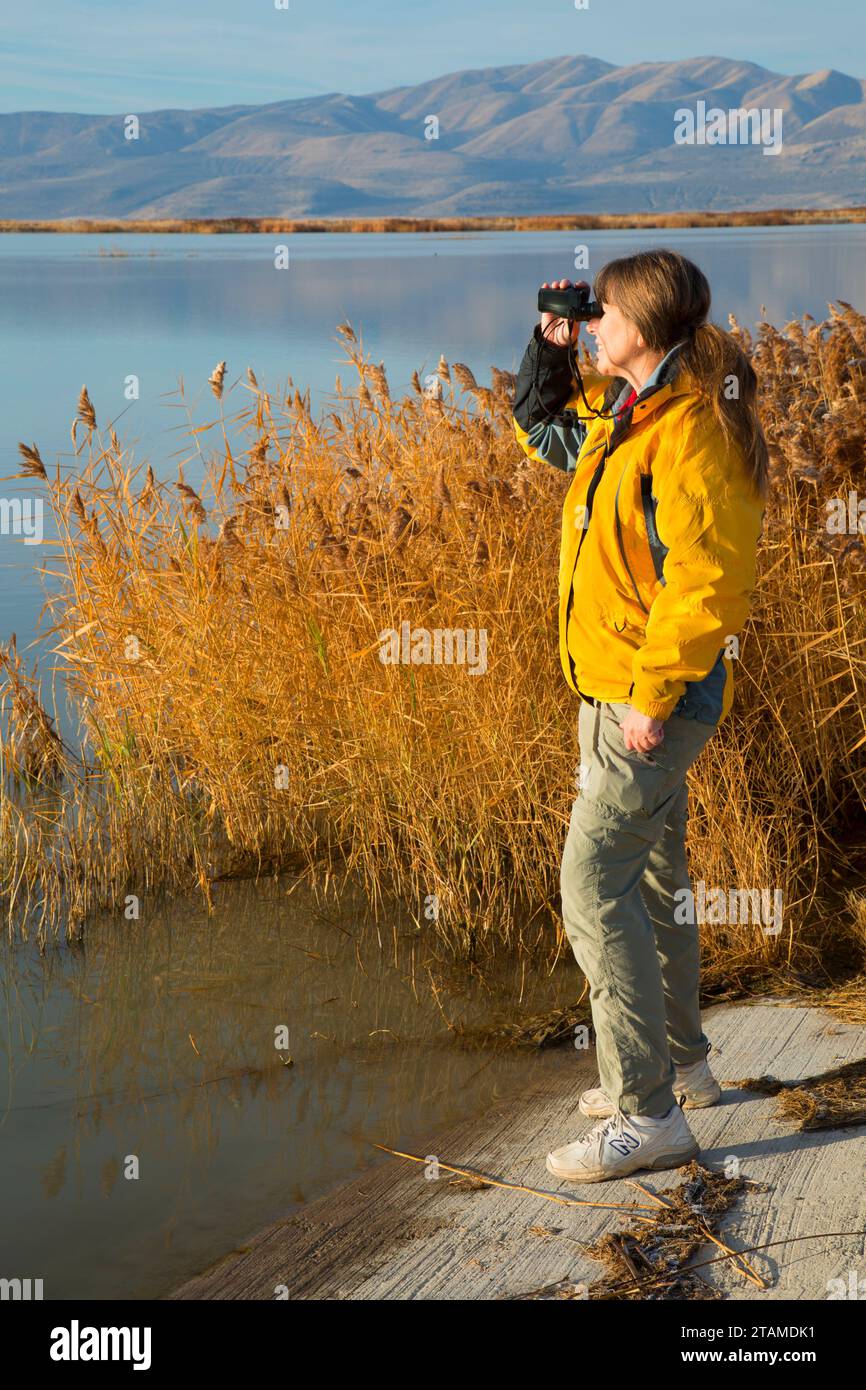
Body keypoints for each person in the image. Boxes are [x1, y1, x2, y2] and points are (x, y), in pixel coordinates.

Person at [512, 248, 768, 1184]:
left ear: (645, 326)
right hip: (615, 687)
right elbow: (540, 427)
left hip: (646, 699)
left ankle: (646, 1114)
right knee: (657, 880)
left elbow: (709, 580)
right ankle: (688, 1066)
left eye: (603, 310)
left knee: (592, 890)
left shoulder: (691, 428)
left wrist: (654, 696)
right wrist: (549, 344)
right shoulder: (626, 412)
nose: (593, 323)